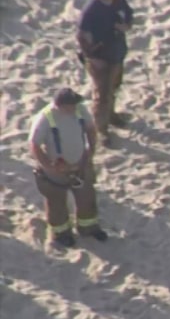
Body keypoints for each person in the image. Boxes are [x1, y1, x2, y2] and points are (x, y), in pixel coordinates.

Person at [28, 88, 109, 248]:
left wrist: (90, 152)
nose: (74, 108)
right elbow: (34, 145)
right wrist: (49, 166)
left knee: (87, 197)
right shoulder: (46, 117)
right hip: (56, 170)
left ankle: (88, 228)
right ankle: (61, 233)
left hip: (80, 165)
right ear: (61, 105)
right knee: (56, 203)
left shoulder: (80, 109)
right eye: (71, 105)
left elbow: (90, 130)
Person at [76, 0, 135, 148]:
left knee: (114, 86)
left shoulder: (118, 1)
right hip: (99, 58)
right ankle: (101, 130)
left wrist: (126, 26)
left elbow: (129, 16)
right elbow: (81, 36)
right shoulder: (92, 10)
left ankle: (111, 115)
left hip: (117, 53)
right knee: (101, 95)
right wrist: (92, 57)